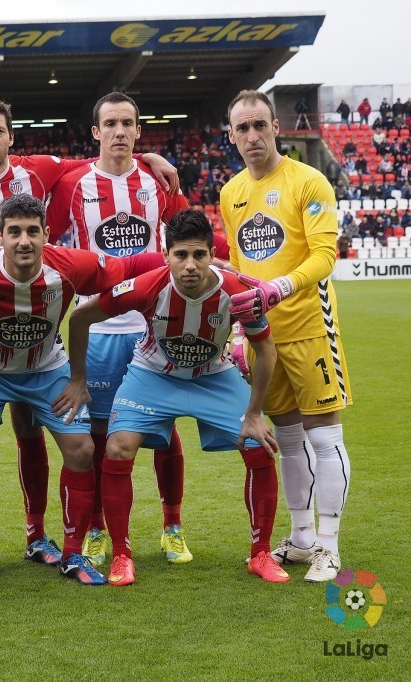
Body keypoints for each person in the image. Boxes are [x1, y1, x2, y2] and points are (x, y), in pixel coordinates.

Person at [0, 95, 178, 568]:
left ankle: (38, 534)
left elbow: (100, 154)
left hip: (38, 318)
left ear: (11, 137)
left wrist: (142, 156)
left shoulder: (37, 172)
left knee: (34, 429)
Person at [64, 208, 289, 586]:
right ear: (166, 255)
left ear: (211, 256)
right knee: (117, 448)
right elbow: (80, 318)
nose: (189, 265)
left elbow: (266, 351)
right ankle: (121, 554)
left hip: (214, 377)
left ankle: (260, 554)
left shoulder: (236, 291)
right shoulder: (148, 286)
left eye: (199, 255)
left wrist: (254, 413)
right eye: (180, 255)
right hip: (152, 377)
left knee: (260, 445)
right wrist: (77, 380)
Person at [46, 92, 193, 571]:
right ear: (96, 132)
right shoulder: (72, 182)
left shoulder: (156, 179)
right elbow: (50, 245)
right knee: (100, 434)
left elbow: (187, 235)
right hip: (101, 328)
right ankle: (96, 529)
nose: (120, 132)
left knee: (165, 430)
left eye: (128, 123)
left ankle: (172, 527)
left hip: (153, 325)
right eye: (110, 123)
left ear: (138, 129)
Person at [222, 89, 352, 583]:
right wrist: (238, 327)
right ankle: (300, 540)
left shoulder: (309, 181)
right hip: (264, 339)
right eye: (243, 128)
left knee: (324, 436)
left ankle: (329, 545)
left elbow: (324, 256)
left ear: (276, 127)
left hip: (310, 328)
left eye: (260, 125)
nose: (252, 136)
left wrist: (280, 286)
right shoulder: (231, 192)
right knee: (289, 441)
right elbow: (238, 267)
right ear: (232, 136)